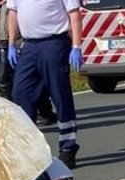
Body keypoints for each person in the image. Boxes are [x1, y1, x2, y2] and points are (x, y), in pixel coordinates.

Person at [6, 0, 84, 168]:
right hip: (28, 46)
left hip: (54, 43)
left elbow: (74, 14)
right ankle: (28, 148)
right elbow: (12, 13)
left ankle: (68, 147)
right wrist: (11, 43)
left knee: (60, 95)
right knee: (21, 94)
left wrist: (76, 46)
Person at [0, 0, 58, 125]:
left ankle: (44, 112)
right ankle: (16, 115)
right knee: (4, 80)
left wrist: (14, 42)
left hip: (22, 41)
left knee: (33, 81)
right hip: (4, 42)